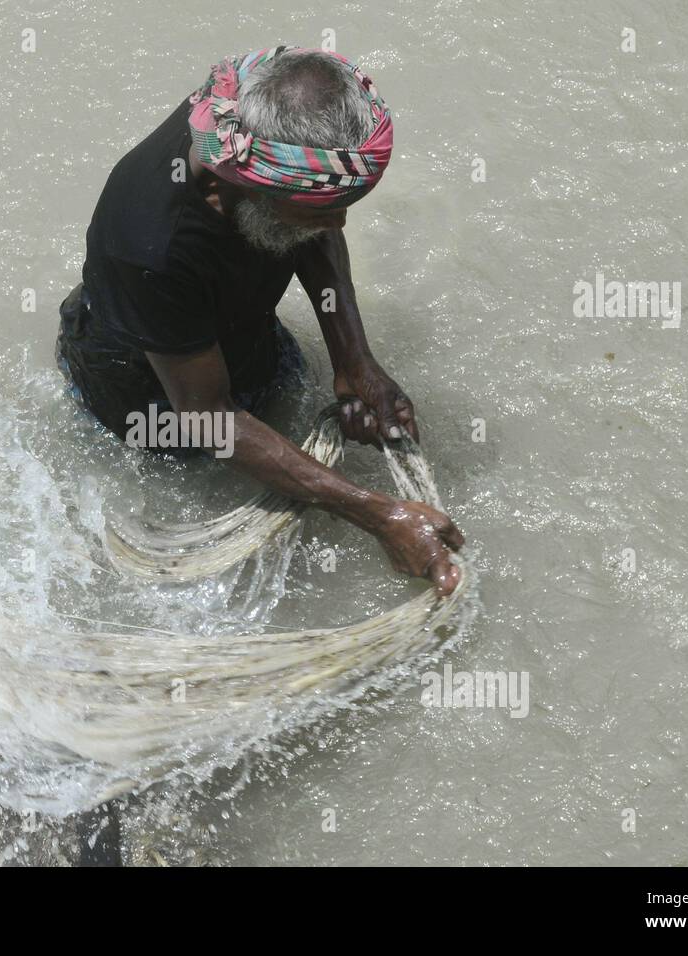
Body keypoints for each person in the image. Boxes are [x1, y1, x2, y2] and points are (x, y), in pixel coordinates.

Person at [58, 44, 463, 597]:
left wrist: (354, 361)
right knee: (188, 469)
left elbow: (317, 229)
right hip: (148, 388)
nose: (339, 221)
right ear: (242, 190)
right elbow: (207, 418)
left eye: (342, 203)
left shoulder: (243, 119)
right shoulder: (151, 247)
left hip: (235, 328)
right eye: (319, 209)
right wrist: (381, 516)